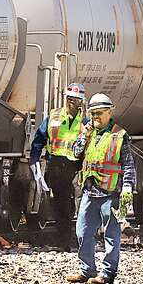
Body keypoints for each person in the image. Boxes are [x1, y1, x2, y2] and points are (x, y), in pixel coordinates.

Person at [64, 93, 135, 284]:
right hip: (89, 192)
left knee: (111, 235)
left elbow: (128, 165)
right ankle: (87, 270)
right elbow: (75, 154)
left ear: (110, 112)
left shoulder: (120, 136)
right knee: (83, 232)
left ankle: (107, 274)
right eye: (92, 113)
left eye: (99, 113)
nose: (95, 117)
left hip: (111, 194)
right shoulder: (89, 133)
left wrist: (127, 189)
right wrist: (84, 133)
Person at [29, 83, 88, 249]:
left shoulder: (86, 121)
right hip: (56, 165)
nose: (71, 102)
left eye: (75, 99)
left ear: (81, 102)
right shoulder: (54, 116)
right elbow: (39, 138)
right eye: (69, 98)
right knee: (60, 205)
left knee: (81, 204)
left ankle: (82, 239)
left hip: (77, 166)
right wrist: (34, 160)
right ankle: (64, 243)